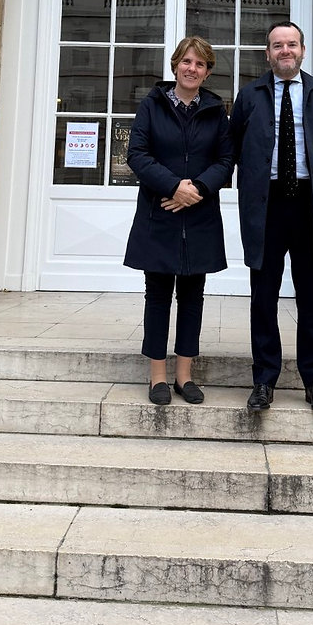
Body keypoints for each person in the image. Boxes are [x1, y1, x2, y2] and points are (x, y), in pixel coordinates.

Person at [230, 21, 313, 412]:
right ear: (268, 53)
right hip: (266, 204)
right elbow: (235, 144)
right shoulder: (249, 96)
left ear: (302, 50)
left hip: (308, 204)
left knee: (311, 297)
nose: (285, 51)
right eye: (277, 45)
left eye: (291, 44)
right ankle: (264, 380)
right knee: (263, 297)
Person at [124, 36, 234, 406]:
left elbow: (226, 160)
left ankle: (184, 375)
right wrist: (173, 186)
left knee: (192, 297)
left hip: (199, 216)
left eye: (200, 64)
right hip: (159, 213)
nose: (192, 69)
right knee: (157, 296)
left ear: (207, 72)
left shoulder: (216, 111)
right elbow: (137, 154)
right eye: (187, 61)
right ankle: (157, 376)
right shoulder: (152, 105)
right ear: (175, 65)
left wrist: (196, 189)